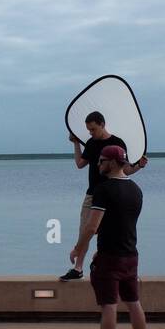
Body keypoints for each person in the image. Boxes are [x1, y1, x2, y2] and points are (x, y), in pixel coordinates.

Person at [70, 145, 147, 329]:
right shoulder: (135, 190)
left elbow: (91, 226)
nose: (98, 164)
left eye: (102, 160)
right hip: (131, 255)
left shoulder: (103, 190)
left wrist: (78, 249)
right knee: (134, 303)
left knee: (109, 306)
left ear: (113, 162)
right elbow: (122, 223)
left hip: (110, 259)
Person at [61, 111, 146, 281]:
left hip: (114, 195)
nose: (91, 133)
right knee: (85, 230)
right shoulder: (91, 143)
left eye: (93, 129)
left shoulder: (117, 143)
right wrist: (76, 143)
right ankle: (78, 268)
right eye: (88, 130)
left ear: (102, 124)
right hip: (93, 193)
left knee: (111, 231)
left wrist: (139, 166)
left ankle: (105, 262)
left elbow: (125, 170)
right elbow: (80, 164)